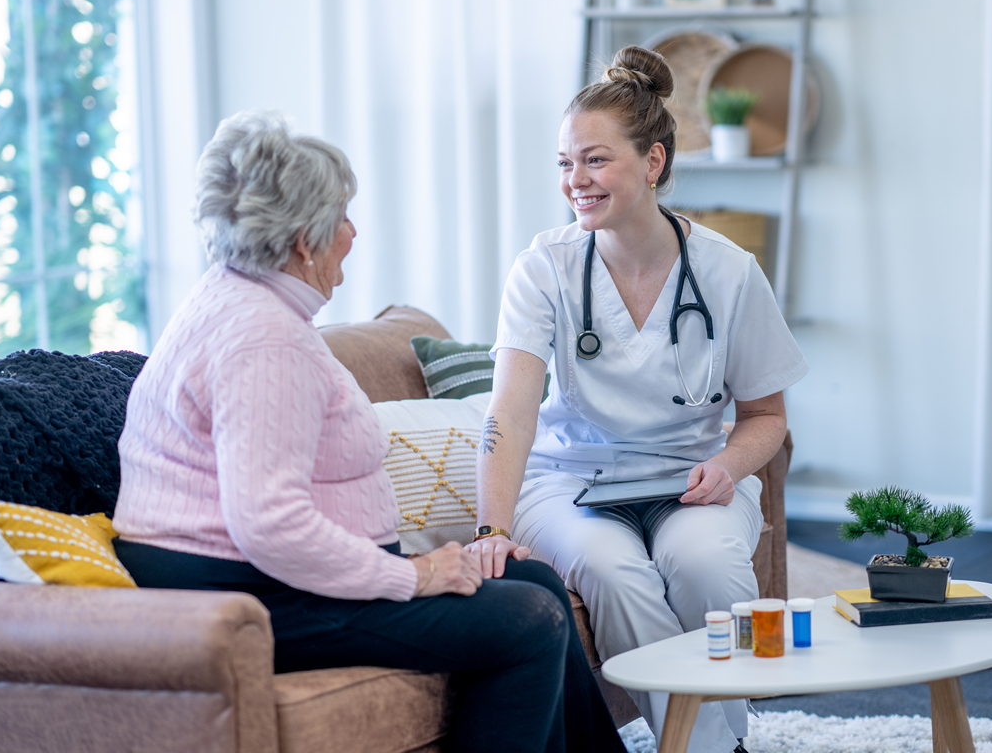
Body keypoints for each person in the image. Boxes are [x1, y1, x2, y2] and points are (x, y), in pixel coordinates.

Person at [110, 110, 622, 753]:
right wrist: (415, 577)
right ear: (304, 239)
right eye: (342, 217)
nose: (353, 232)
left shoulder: (235, 297)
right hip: (249, 592)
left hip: (261, 577)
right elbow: (269, 524)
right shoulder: (263, 340)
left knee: (536, 581)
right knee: (526, 620)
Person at [468, 46, 809, 753]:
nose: (575, 181)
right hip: (569, 481)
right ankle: (716, 749)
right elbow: (511, 409)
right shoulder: (544, 268)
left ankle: (708, 741)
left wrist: (729, 468)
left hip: (689, 475)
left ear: (653, 163)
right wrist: (493, 531)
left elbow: (766, 416)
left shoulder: (728, 271)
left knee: (707, 565)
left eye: (595, 160)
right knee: (612, 569)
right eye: (565, 163)